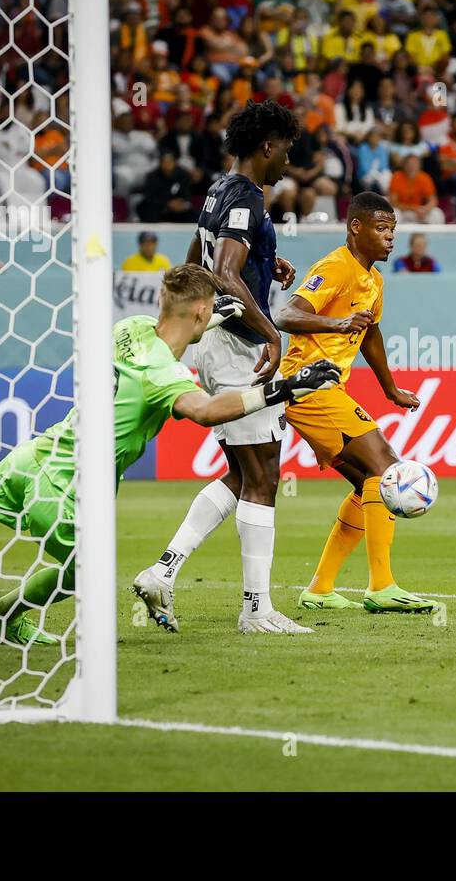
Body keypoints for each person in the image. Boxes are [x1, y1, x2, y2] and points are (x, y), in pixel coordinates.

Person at [0, 267, 340, 644]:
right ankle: (5, 612)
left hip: (42, 450)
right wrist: (283, 389)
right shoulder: (164, 376)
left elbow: (172, 339)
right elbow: (204, 411)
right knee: (85, 567)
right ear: (203, 311)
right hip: (72, 482)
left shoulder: (130, 329)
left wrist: (211, 314)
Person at [134, 100, 309, 635]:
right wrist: (271, 332)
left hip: (215, 342)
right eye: (286, 152)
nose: (288, 164)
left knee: (239, 474)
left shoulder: (217, 188)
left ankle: (163, 572)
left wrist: (262, 263)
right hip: (237, 347)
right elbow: (226, 274)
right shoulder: (246, 196)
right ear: (267, 146)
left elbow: (198, 260)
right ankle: (256, 609)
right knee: (264, 478)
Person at [274, 192, 437, 613]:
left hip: (330, 388)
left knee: (369, 482)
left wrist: (390, 389)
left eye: (393, 230)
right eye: (382, 229)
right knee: (386, 467)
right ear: (356, 228)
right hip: (306, 384)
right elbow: (286, 315)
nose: (390, 239)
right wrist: (338, 321)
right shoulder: (336, 266)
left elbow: (372, 334)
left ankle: (320, 588)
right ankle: (381, 586)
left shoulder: (373, 280)